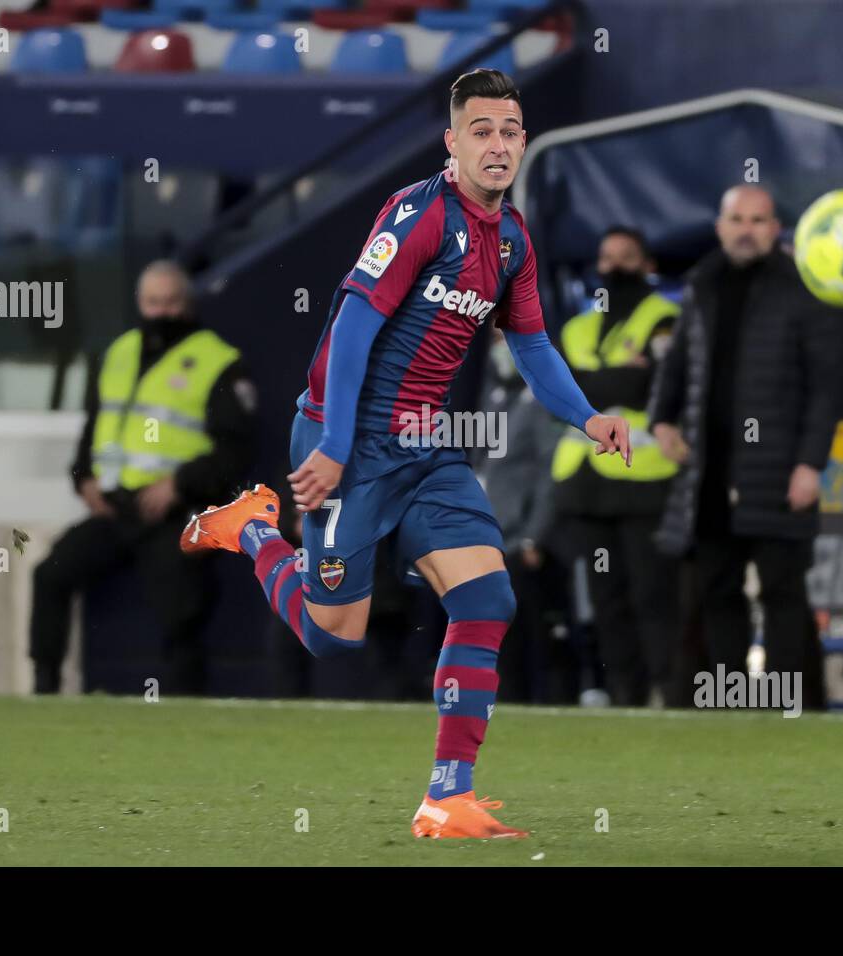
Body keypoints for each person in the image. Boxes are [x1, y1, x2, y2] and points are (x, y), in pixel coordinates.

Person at [180, 69, 632, 839]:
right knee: (334, 636)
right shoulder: (419, 213)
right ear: (452, 143)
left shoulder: (513, 239)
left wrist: (587, 418)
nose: (497, 144)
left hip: (426, 449)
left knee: (488, 600)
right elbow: (355, 322)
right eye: (481, 130)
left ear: (524, 141)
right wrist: (330, 443)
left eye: (509, 131)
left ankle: (446, 796)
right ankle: (252, 530)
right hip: (349, 446)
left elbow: (531, 345)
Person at [647, 185, 840, 711]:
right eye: (738, 219)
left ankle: (791, 706)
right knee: (717, 592)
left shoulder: (804, 287)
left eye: (759, 220)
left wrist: (809, 464)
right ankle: (728, 705)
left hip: (777, 469)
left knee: (783, 593)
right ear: (720, 226)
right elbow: (679, 359)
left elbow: (826, 388)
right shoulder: (702, 283)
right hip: (709, 469)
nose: (747, 229)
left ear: (776, 229)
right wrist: (661, 420)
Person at [30, 260, 256, 695]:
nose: (162, 312)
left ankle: (186, 706)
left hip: (174, 511)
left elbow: (236, 449)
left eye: (171, 302)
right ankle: (45, 688)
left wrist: (179, 485)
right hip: (116, 509)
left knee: (183, 610)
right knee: (50, 574)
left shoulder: (219, 361)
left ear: (187, 304)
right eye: (154, 303)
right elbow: (95, 426)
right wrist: (84, 479)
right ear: (140, 303)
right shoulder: (120, 352)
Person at [553, 227, 682, 707]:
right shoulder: (576, 327)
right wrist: (619, 377)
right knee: (607, 602)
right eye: (606, 258)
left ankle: (667, 693)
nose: (612, 267)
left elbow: (648, 389)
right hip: (585, 485)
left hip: (643, 481)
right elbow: (559, 395)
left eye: (626, 257)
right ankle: (624, 697)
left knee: (653, 596)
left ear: (647, 265)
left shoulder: (665, 317)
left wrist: (593, 383)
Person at [471, 327, 570, 704]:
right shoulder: (493, 396)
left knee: (532, 633)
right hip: (487, 538)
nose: (501, 350)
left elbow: (551, 474)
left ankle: (543, 704)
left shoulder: (544, 401)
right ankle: (499, 702)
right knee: (492, 633)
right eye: (496, 342)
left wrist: (534, 535)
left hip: (520, 542)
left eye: (506, 342)